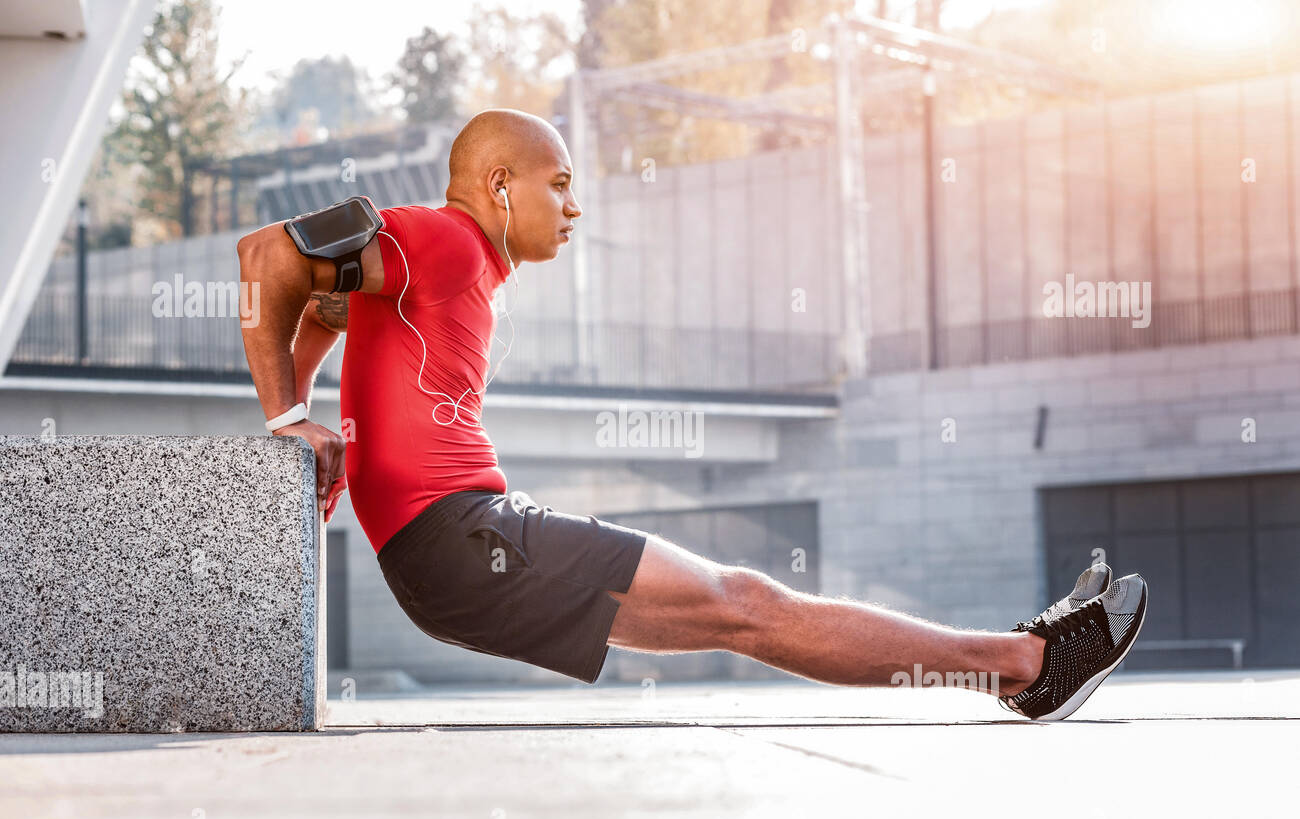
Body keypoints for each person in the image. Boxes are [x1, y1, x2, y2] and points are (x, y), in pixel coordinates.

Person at [237, 108, 1147, 720]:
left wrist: (311, 415)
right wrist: (288, 422)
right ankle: (1030, 662)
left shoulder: (440, 267)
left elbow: (322, 305)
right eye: (558, 183)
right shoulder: (438, 236)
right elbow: (266, 258)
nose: (575, 204)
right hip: (464, 540)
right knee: (743, 600)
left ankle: (1022, 671)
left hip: (447, 563)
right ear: (500, 183)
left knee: (742, 616)